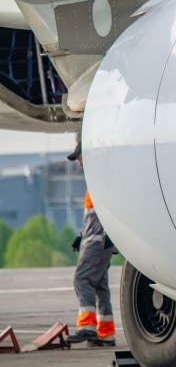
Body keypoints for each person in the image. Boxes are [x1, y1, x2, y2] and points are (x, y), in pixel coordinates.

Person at [65, 141, 117, 347]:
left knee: (82, 278)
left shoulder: (99, 180)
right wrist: (82, 235)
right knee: (100, 286)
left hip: (97, 241)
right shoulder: (101, 179)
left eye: (79, 157)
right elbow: (95, 216)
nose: (78, 163)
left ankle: (87, 325)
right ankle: (106, 333)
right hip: (98, 240)